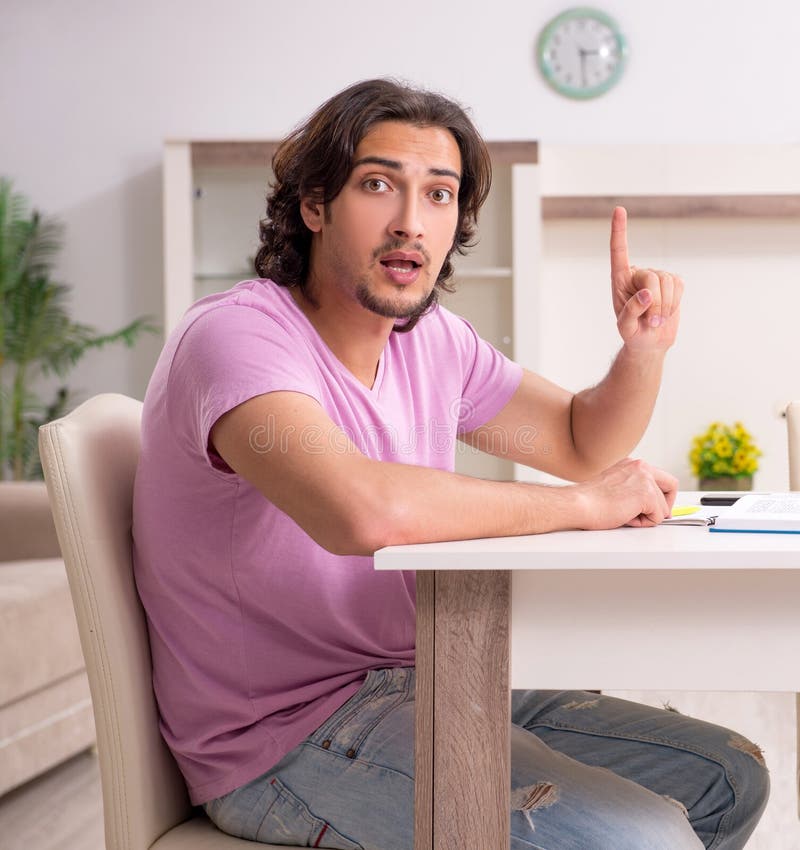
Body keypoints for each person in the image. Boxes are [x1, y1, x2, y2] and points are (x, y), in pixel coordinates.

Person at [132, 78, 769, 850]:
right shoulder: (237, 340)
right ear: (313, 205)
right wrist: (581, 506)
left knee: (729, 778)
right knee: (643, 840)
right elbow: (359, 511)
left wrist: (642, 350)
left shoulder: (430, 342)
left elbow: (578, 441)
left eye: (439, 194)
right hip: (284, 740)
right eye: (377, 185)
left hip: (433, 679)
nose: (411, 223)